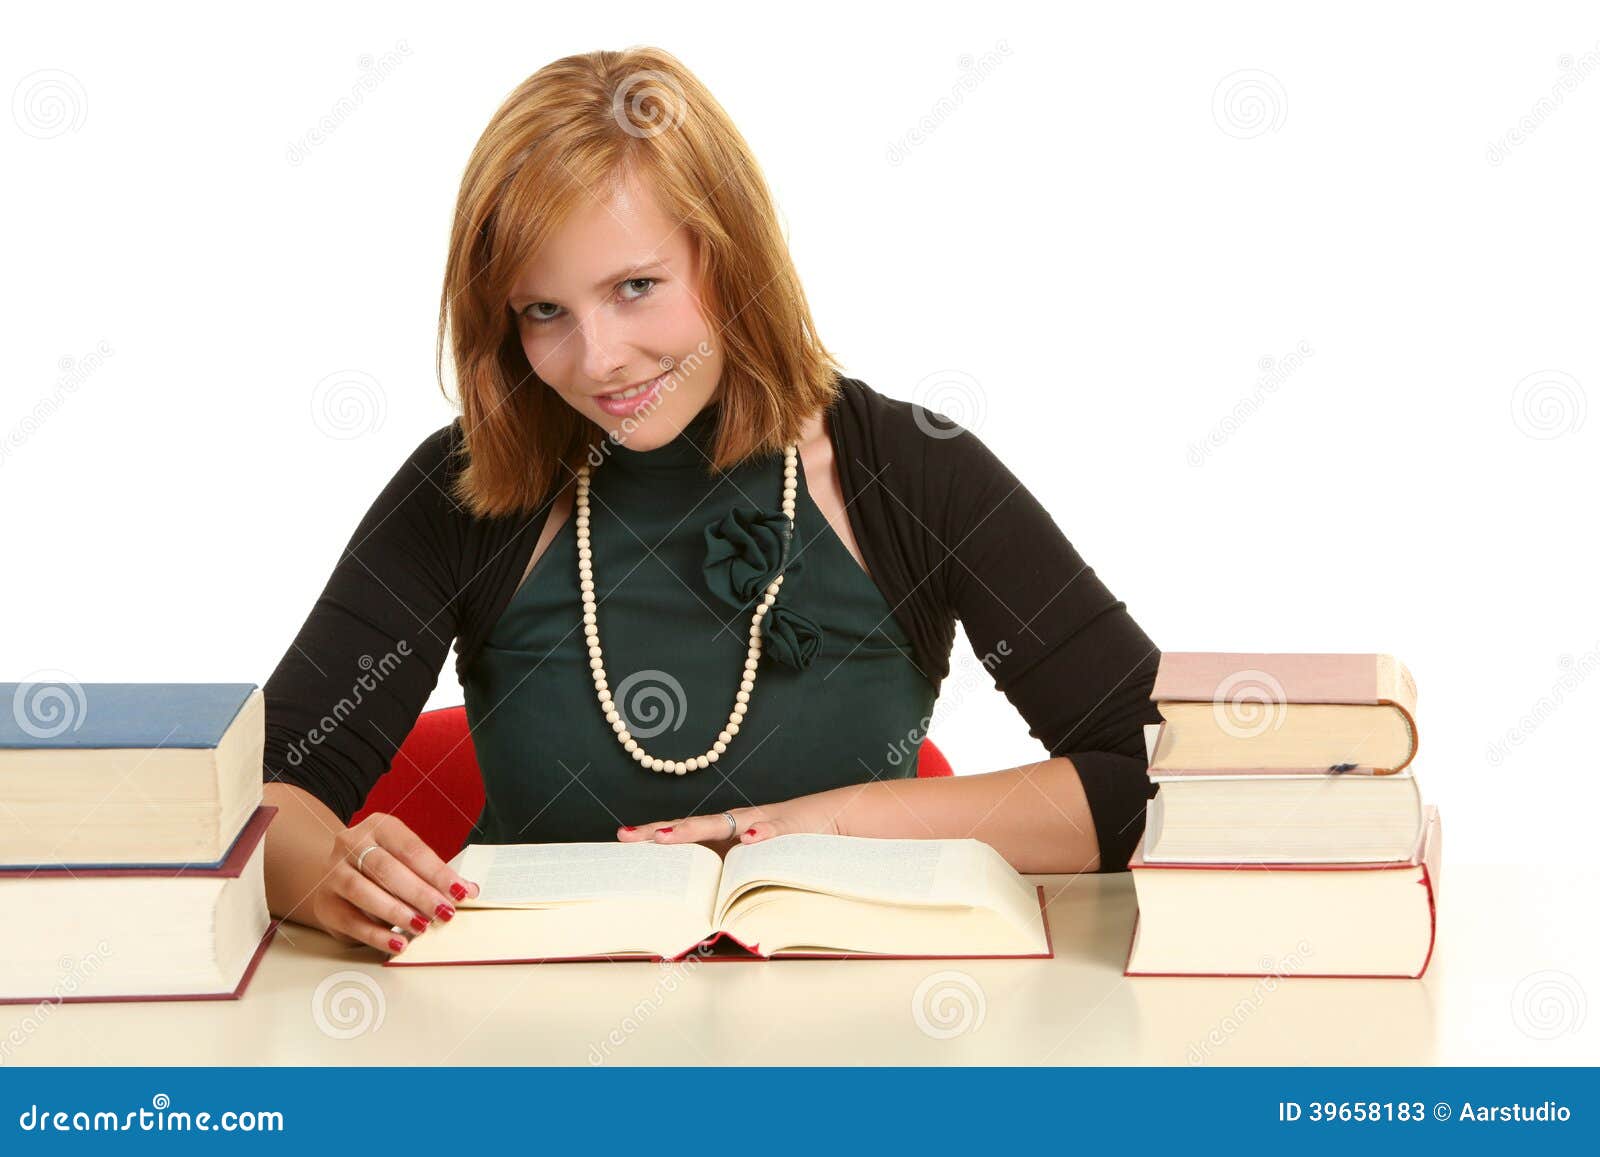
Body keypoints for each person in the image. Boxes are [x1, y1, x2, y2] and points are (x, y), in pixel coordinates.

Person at [260, 46, 1162, 957]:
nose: (598, 359)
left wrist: (815, 827)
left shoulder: (912, 470)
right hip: (533, 1023)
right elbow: (259, 793)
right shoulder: (460, 487)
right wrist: (325, 870)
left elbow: (1155, 778)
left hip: (860, 1023)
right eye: (544, 311)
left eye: (635, 287)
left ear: (730, 255)